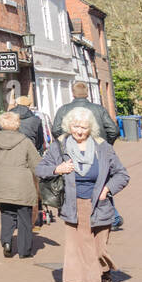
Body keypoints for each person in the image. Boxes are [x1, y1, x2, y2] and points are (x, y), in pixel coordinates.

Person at [36, 106, 130, 282]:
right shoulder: (58, 147)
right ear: (68, 126)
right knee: (78, 254)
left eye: (84, 127)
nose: (79, 131)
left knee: (98, 252)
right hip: (73, 208)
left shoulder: (103, 148)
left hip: (100, 207)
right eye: (75, 126)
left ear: (91, 128)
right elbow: (39, 169)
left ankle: (105, 278)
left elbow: (122, 175)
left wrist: (107, 189)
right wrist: (56, 169)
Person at [52, 82, 124, 231]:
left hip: (72, 154)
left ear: (73, 93)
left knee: (75, 184)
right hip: (97, 153)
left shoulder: (64, 110)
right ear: (88, 94)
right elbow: (113, 130)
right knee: (103, 181)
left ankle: (79, 218)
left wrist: (67, 144)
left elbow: (55, 130)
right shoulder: (98, 109)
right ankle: (111, 217)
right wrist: (105, 145)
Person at [0, 111, 41, 258]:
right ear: (17, 124)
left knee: (7, 214)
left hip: (2, 184)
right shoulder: (25, 141)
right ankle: (24, 251)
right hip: (23, 185)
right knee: (24, 218)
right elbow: (37, 164)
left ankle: (7, 242)